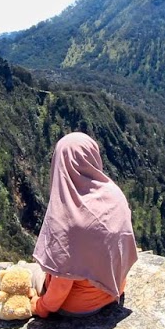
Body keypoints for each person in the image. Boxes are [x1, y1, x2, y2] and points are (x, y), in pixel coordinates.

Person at [29, 132, 139, 318]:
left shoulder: (66, 215)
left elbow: (62, 282)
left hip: (80, 305)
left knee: (35, 275)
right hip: (115, 288)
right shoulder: (114, 193)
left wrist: (40, 306)